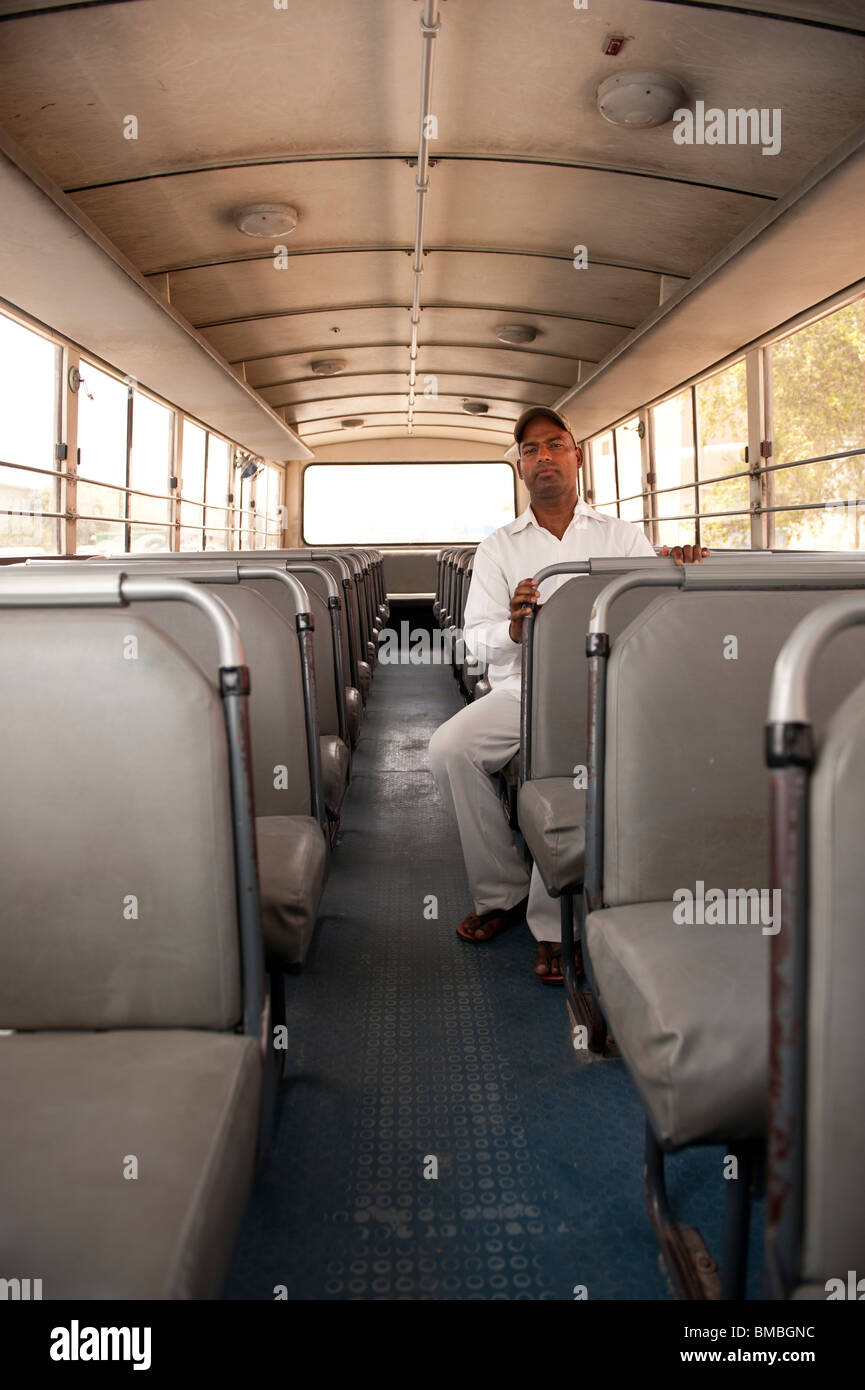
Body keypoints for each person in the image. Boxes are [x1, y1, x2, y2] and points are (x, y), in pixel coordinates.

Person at [428, 406, 708, 982]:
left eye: (555, 445)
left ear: (577, 456)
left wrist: (679, 567)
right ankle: (500, 891)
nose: (544, 458)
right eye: (531, 451)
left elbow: (652, 613)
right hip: (523, 687)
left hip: (605, 685)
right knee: (449, 748)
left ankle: (554, 921)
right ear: (521, 469)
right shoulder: (498, 547)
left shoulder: (622, 536)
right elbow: (476, 641)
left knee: (569, 767)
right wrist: (511, 627)